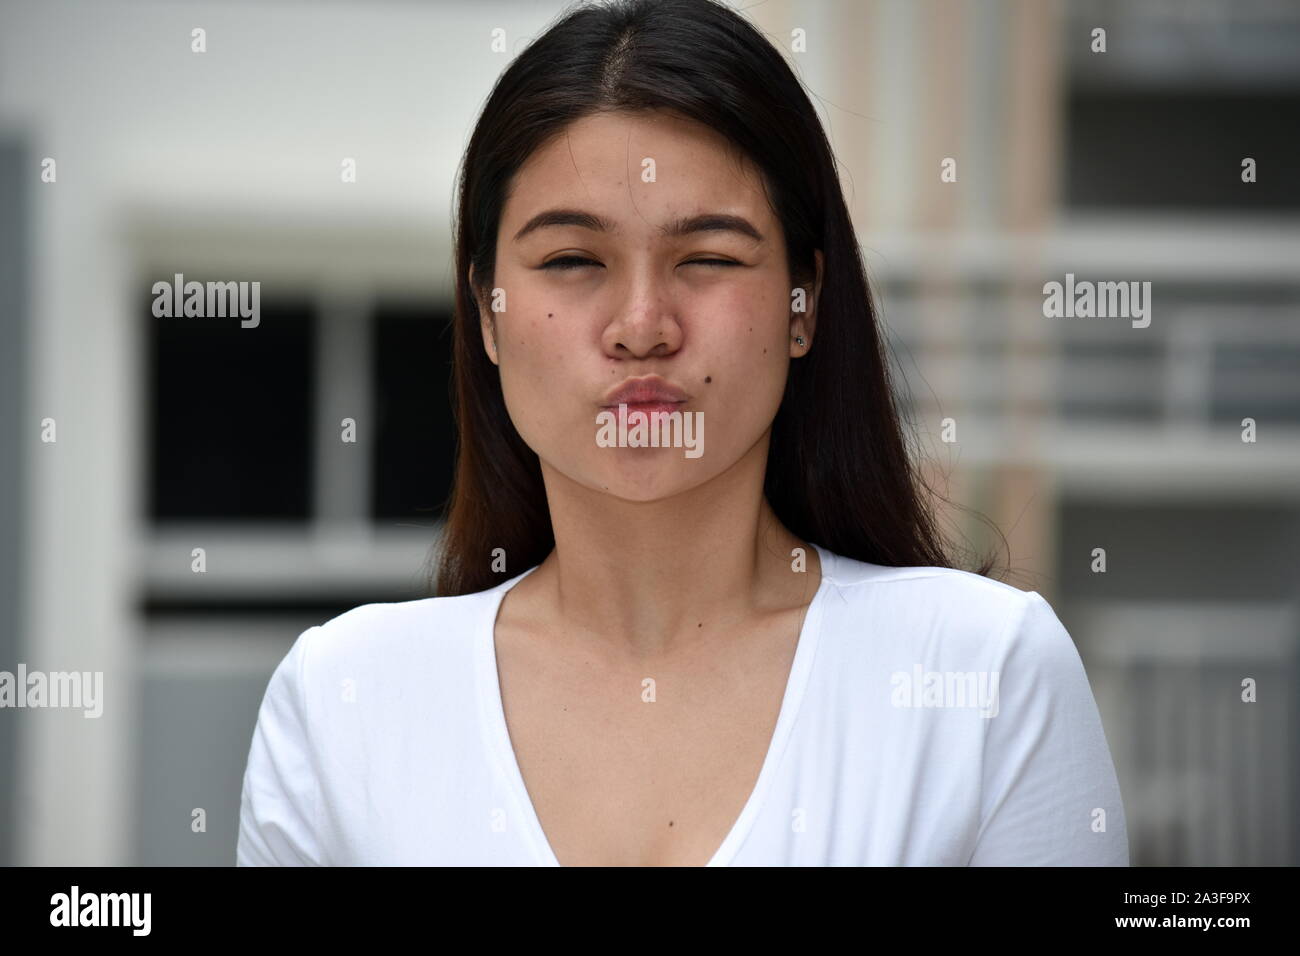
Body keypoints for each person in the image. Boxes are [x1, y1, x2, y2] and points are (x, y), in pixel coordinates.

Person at [237, 0, 1128, 866]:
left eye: (707, 258)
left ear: (802, 303)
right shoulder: (342, 703)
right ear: (488, 314)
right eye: (572, 261)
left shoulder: (986, 679)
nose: (641, 324)